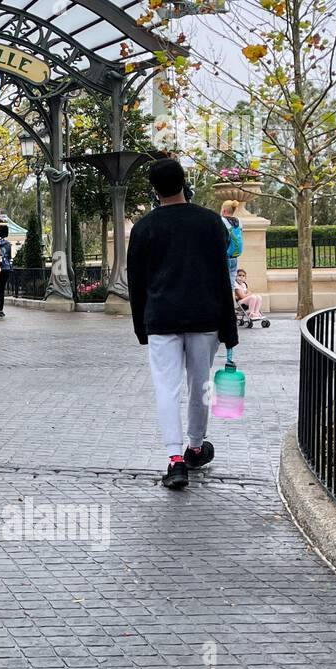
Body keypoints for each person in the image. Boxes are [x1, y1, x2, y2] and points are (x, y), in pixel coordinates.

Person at [127, 157, 239, 490]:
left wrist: (141, 327)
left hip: (162, 317)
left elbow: (136, 283)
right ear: (184, 182)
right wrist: (229, 328)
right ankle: (195, 446)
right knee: (200, 385)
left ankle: (175, 459)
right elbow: (222, 276)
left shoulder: (144, 228)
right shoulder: (210, 223)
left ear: (154, 189)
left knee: (166, 387)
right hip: (205, 315)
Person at [0, 223, 13, 318]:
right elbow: (9, 257)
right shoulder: (8, 244)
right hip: (6, 268)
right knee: (2, 289)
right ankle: (0, 309)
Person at [221, 200, 243, 287]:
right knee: (232, 284)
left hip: (225, 255)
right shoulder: (239, 221)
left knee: (223, 284)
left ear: (224, 210)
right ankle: (232, 300)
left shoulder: (222, 221)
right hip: (235, 255)